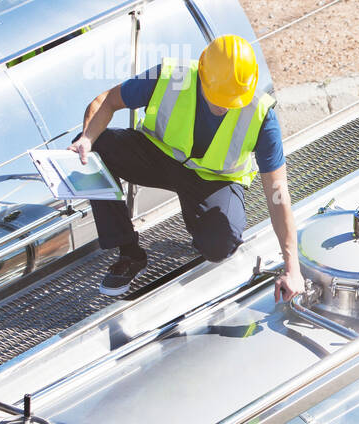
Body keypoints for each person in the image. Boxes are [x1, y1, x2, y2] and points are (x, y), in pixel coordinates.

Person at [68, 34, 305, 301]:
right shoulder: (172, 76)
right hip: (157, 156)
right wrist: (87, 138)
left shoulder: (261, 115)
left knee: (219, 245)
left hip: (213, 180)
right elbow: (107, 101)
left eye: (231, 100)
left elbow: (278, 193)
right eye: (217, 98)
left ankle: (199, 225)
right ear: (201, 73)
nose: (223, 106)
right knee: (96, 148)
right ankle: (129, 254)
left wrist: (292, 268)